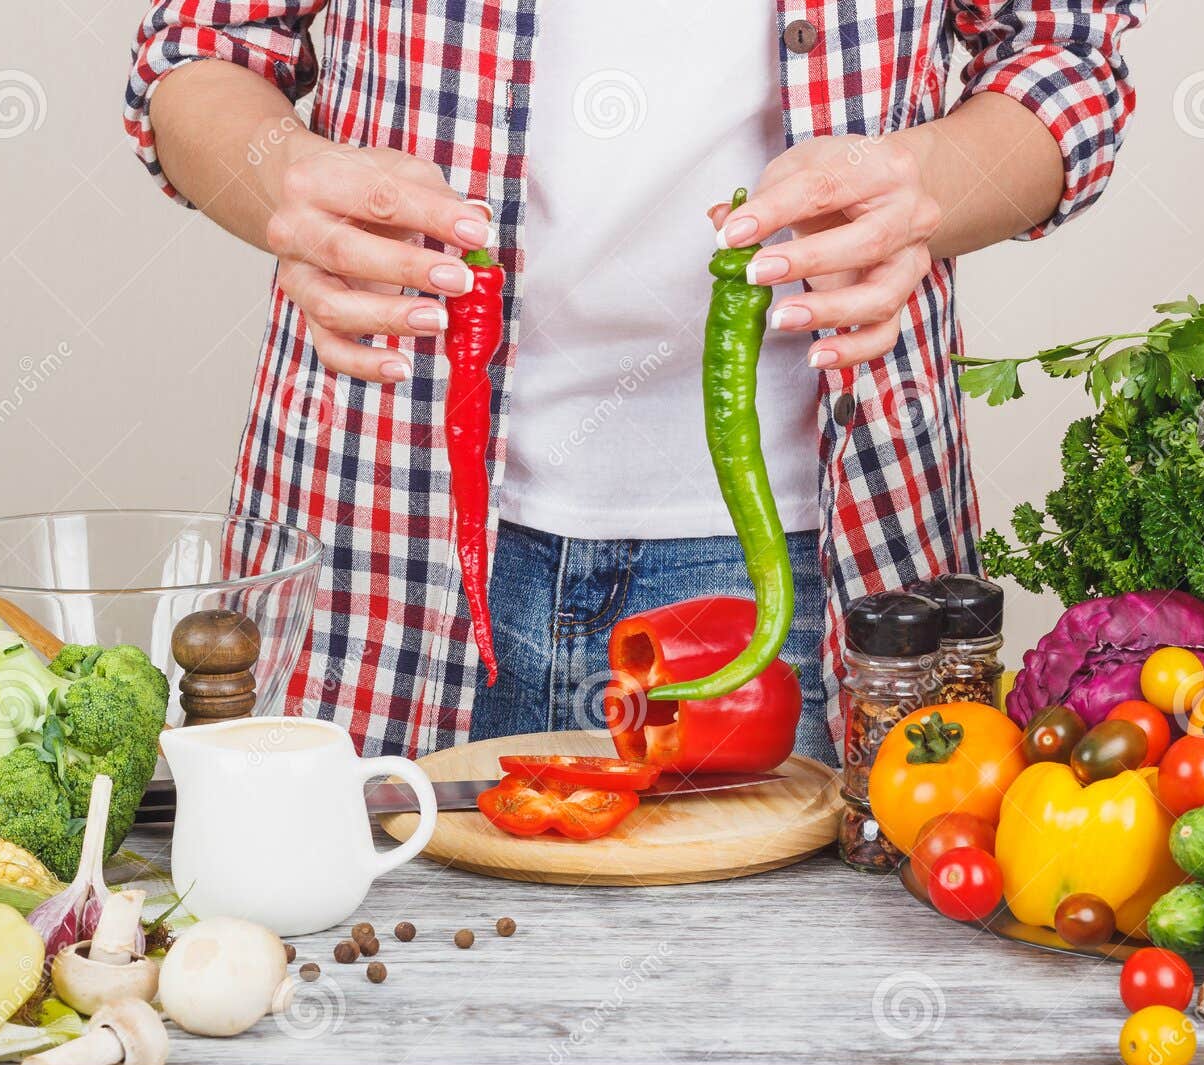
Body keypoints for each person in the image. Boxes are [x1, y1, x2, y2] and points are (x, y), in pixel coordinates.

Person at [126, 2, 1143, 762]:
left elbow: (1064, 58)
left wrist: (925, 188)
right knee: (343, 1004)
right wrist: (283, 186)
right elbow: (196, 52)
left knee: (800, 1020)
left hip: (817, 567)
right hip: (381, 542)